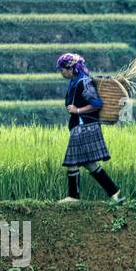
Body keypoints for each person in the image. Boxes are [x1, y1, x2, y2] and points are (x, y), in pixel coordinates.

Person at [56, 52, 123, 205]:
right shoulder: (74, 82)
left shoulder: (84, 82)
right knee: (88, 163)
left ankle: (74, 197)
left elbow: (96, 104)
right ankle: (114, 192)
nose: (61, 72)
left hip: (84, 127)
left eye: (62, 69)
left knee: (72, 161)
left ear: (71, 68)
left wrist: (77, 110)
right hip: (80, 126)